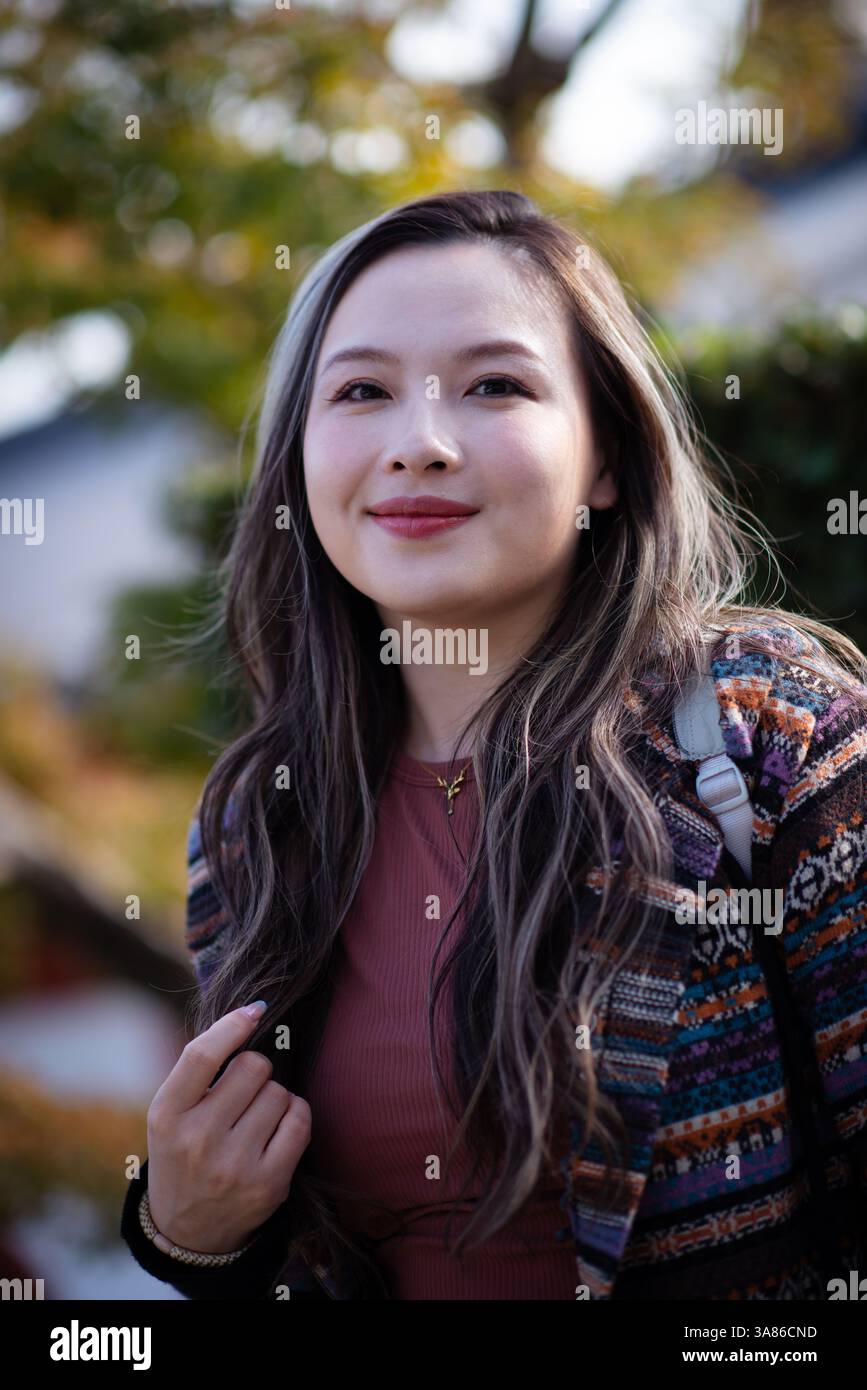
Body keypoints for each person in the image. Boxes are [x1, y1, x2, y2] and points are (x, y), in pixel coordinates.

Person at [120, 188, 867, 1300]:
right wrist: (189, 1239)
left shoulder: (776, 727)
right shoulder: (254, 824)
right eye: (362, 390)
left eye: (495, 386)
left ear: (607, 458)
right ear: (300, 459)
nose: (418, 444)